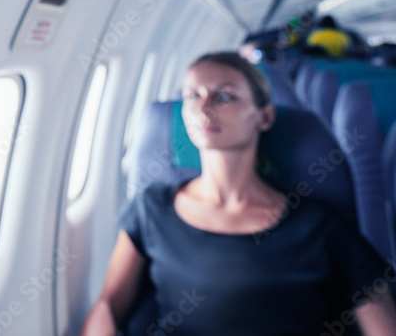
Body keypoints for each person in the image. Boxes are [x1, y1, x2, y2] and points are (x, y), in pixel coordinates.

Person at [80, 52, 396, 335]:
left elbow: (380, 322)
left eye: (224, 96)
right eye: (192, 95)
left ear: (265, 117)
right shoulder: (152, 207)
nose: (204, 108)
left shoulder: (319, 225)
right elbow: (108, 305)